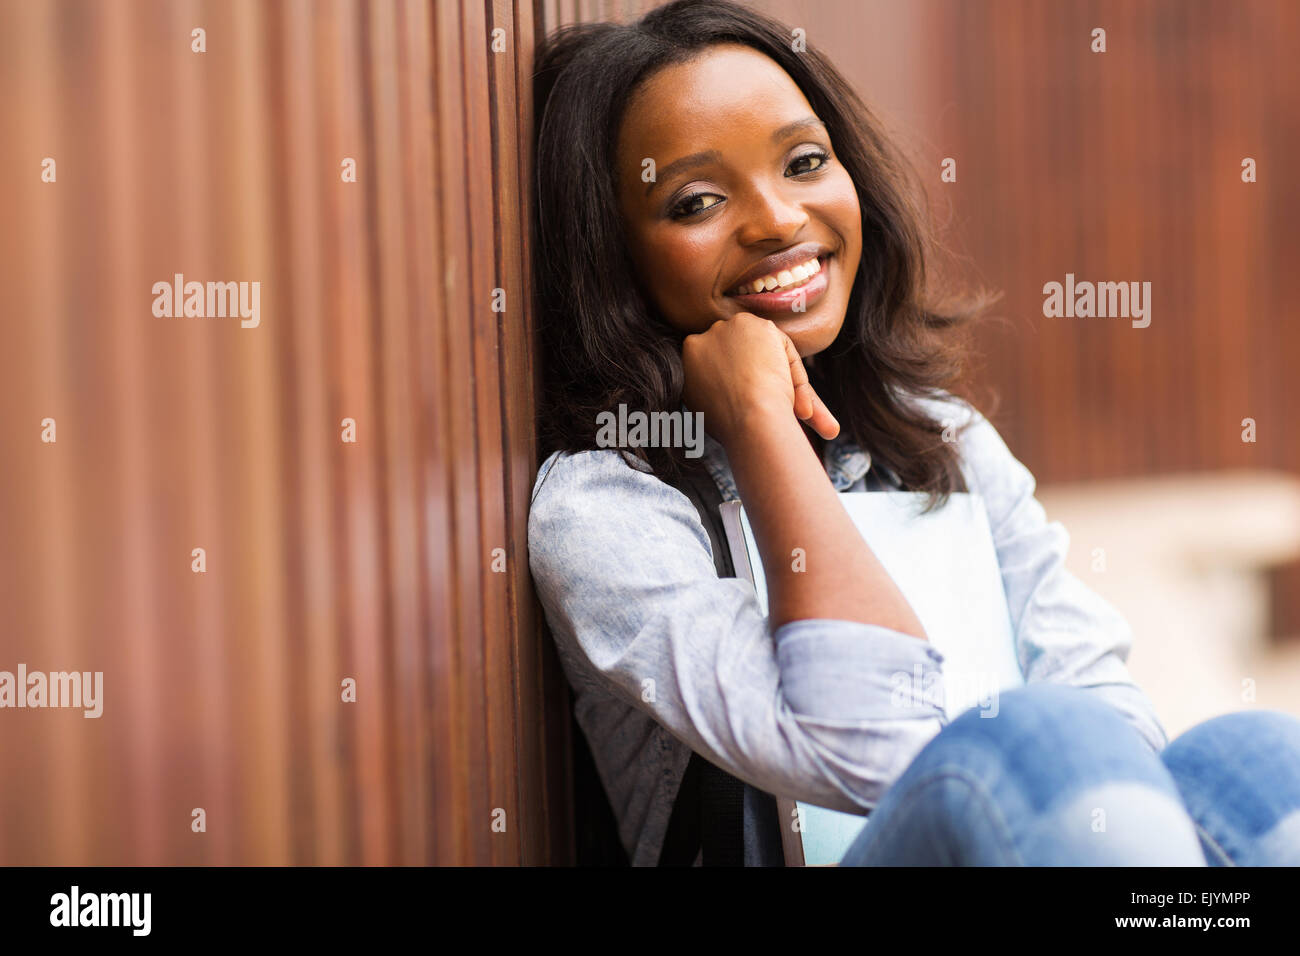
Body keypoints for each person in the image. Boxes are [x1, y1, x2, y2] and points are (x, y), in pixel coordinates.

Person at [526, 0, 1300, 866]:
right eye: (697, 199)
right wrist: (758, 425)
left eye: (804, 162)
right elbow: (874, 745)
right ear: (616, 257)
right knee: (1039, 747)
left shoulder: (941, 437)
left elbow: (1108, 715)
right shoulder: (604, 508)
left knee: (1259, 761)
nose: (779, 220)